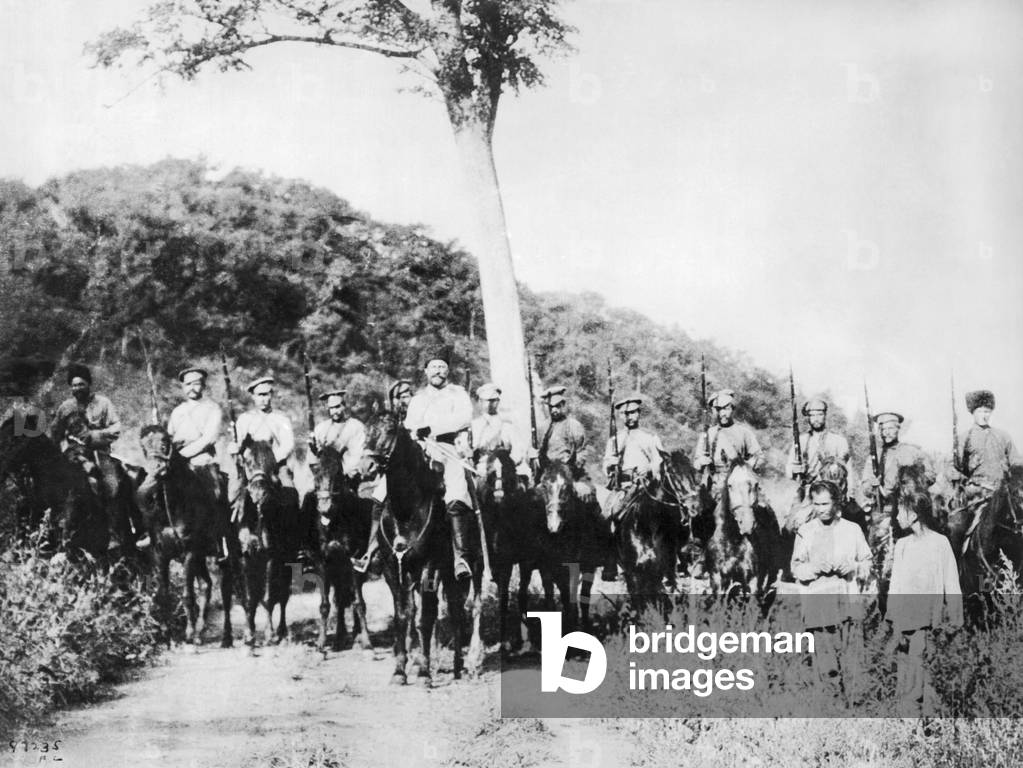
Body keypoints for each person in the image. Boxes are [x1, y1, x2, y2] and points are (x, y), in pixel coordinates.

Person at [885, 489, 963, 716]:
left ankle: (931, 731)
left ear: (913, 515)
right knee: (906, 676)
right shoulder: (902, 545)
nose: (897, 517)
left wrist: (955, 620)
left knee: (926, 678)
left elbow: (952, 582)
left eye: (901, 511)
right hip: (903, 624)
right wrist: (891, 622)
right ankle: (908, 730)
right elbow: (896, 586)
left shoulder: (940, 543)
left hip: (928, 625)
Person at [790, 480, 872, 689]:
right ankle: (831, 708)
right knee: (827, 666)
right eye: (816, 504)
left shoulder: (852, 530)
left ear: (836, 503)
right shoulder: (805, 532)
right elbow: (796, 569)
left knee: (852, 661)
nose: (821, 510)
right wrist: (814, 567)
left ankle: (856, 707)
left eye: (825, 504)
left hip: (848, 604)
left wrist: (852, 566)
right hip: (819, 607)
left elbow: (867, 563)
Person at [403, 348, 476, 581]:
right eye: (434, 366)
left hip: (449, 449)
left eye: (442, 367)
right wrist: (417, 433)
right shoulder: (418, 399)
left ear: (448, 370)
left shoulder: (458, 394)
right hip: (422, 451)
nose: (438, 371)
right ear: (425, 371)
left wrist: (434, 428)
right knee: (388, 490)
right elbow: (409, 425)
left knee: (456, 492)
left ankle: (461, 557)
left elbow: (464, 418)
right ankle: (383, 548)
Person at [50, 363, 125, 547]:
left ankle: (115, 533)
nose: (77, 389)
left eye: (81, 384)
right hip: (73, 455)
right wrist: (68, 451)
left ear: (89, 384)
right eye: (74, 385)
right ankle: (54, 533)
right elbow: (56, 435)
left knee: (111, 485)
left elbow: (116, 428)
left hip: (100, 454)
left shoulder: (103, 403)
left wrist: (95, 436)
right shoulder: (65, 408)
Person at [948, 390, 1022, 505]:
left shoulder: (1003, 436)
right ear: (973, 413)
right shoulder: (964, 438)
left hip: (1003, 493)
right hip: (975, 494)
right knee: (959, 520)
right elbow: (952, 466)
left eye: (987, 412)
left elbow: (1016, 462)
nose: (984, 415)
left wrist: (1014, 482)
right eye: (980, 411)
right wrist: (958, 477)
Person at [861, 412, 935, 516]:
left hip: (908, 510)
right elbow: (865, 486)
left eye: (890, 428)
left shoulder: (912, 452)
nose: (886, 433)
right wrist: (872, 486)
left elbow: (930, 476)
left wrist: (911, 484)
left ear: (898, 429)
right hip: (883, 510)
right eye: (882, 430)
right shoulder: (873, 457)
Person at [693, 389, 764, 498]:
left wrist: (747, 466)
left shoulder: (744, 432)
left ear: (733, 409)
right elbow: (696, 463)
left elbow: (759, 457)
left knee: (762, 509)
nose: (722, 414)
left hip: (741, 484)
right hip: (715, 486)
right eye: (718, 410)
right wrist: (701, 461)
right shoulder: (708, 434)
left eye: (726, 409)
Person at [167, 367, 225, 500]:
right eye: (188, 384)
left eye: (196, 383)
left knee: (214, 496)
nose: (192, 388)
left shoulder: (212, 408)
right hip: (176, 464)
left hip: (202, 462)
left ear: (203, 386)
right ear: (182, 387)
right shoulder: (177, 411)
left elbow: (209, 439)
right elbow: (169, 436)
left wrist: (181, 455)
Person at [228, 375, 296, 487]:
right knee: (234, 487)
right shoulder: (245, 419)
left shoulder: (281, 419)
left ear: (271, 395)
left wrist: (269, 461)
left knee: (288, 486)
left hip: (276, 465)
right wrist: (234, 447)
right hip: (250, 466)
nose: (263, 399)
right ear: (253, 397)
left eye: (266, 395)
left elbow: (288, 445)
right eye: (260, 395)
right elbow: (238, 443)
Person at [787, 397, 855, 494]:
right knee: (796, 509)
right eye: (812, 415)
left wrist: (850, 493)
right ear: (808, 418)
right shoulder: (801, 441)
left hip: (834, 491)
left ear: (825, 415)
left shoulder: (839, 441)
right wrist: (795, 470)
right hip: (808, 491)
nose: (816, 419)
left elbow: (848, 469)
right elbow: (789, 469)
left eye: (819, 414)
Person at [538, 385, 593, 499]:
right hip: (547, 474)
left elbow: (581, 452)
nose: (554, 410)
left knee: (588, 495)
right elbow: (535, 451)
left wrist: (570, 466)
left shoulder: (574, 426)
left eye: (557, 406)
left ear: (563, 405)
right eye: (551, 407)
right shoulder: (543, 428)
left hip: (571, 472)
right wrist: (534, 458)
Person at [470, 382, 528, 480]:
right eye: (486, 401)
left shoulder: (507, 425)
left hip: (506, 468)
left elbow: (518, 450)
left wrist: (509, 464)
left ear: (498, 401)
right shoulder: (474, 425)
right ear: (480, 402)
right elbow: (467, 451)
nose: (489, 404)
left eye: (493, 400)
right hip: (482, 469)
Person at [309, 388, 366, 483]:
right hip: (325, 477)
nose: (333, 411)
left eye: (337, 407)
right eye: (331, 408)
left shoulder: (356, 426)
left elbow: (356, 454)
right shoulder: (321, 428)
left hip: (348, 477)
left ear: (344, 406)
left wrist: (347, 473)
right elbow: (314, 457)